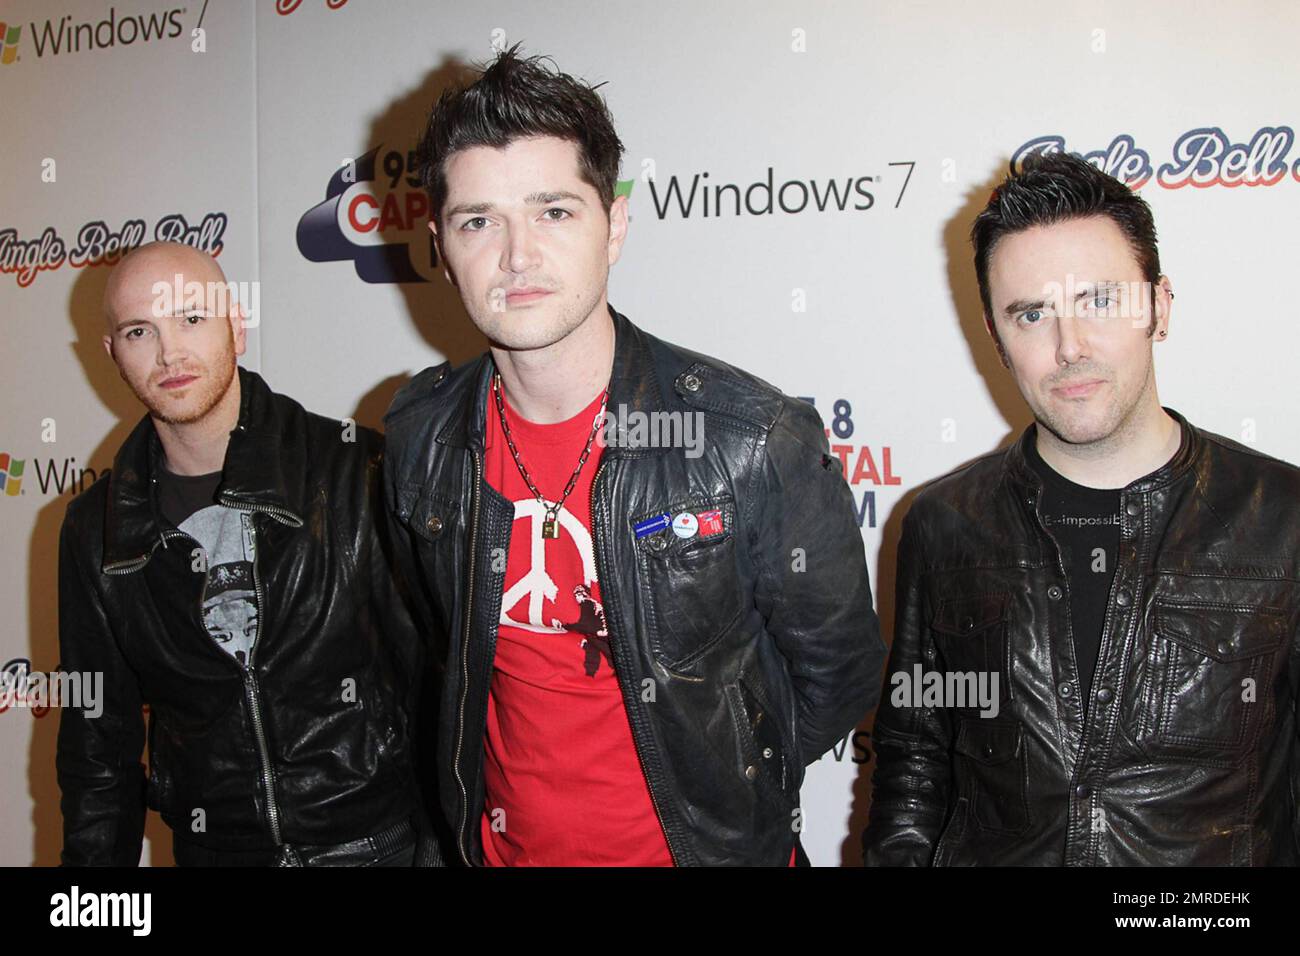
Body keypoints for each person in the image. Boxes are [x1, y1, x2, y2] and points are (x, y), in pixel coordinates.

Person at [382, 45, 884, 866]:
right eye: (479, 221)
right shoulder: (421, 437)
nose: (516, 256)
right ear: (440, 245)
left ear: (614, 225)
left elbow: (839, 676)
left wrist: (727, 791)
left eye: (554, 211)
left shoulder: (747, 439)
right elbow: (434, 654)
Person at [863, 151, 1300, 866]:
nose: (1070, 348)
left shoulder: (1282, 517)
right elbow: (913, 765)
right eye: (1032, 314)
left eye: (1100, 302)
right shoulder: (945, 524)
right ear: (997, 337)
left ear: (1159, 307)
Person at [57, 241, 427, 866]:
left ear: (237, 324)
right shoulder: (96, 529)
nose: (170, 352)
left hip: (375, 849)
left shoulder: (352, 472)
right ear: (112, 354)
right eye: (140, 331)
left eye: (192, 318)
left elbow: (437, 684)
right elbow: (98, 751)